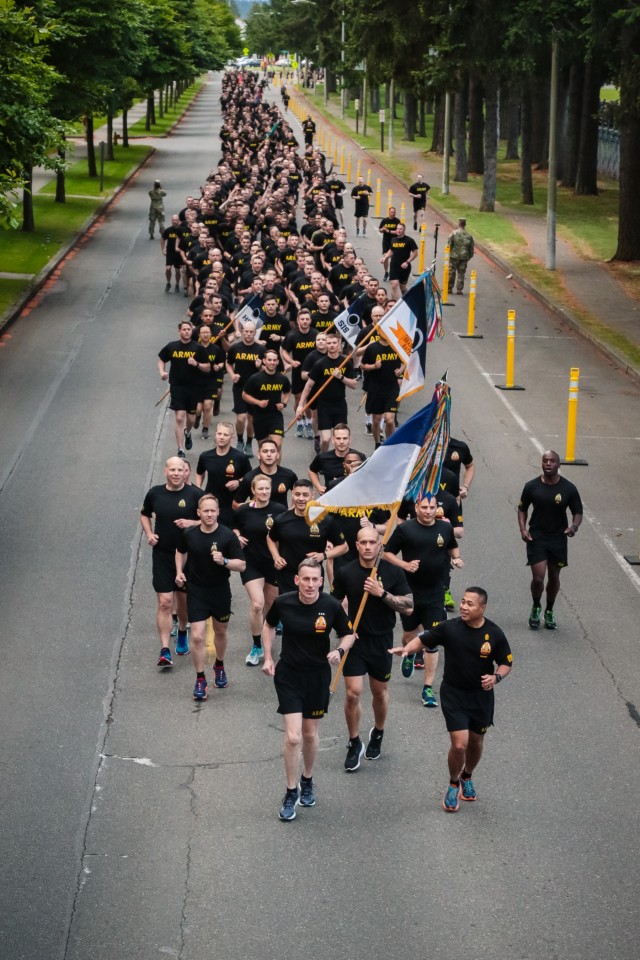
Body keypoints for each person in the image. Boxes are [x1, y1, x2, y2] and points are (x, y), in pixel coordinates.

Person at [389, 587, 512, 812]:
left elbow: (506, 662)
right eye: (463, 602)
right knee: (459, 743)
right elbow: (424, 640)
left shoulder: (494, 633)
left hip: (481, 697)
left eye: (470, 604)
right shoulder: (449, 628)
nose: (463, 607)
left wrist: (496, 677)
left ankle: (467, 776)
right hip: (453, 694)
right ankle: (454, 783)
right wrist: (406, 650)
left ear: (482, 608)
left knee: (476, 742)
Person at [262, 559, 355, 821]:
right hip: (289, 675)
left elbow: (349, 634)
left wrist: (339, 650)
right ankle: (291, 791)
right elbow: (269, 625)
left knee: (310, 735)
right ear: (297, 580)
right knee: (293, 737)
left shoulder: (331, 605)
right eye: (306, 579)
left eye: (315, 579)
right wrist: (268, 657)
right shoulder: (284, 603)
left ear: (321, 581)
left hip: (317, 677)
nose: (311, 584)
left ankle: (308, 779)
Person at [332, 527, 413, 770]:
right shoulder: (345, 572)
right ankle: (354, 741)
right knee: (353, 693)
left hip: (381, 641)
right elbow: (334, 604)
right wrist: (345, 629)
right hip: (356, 642)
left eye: (372, 542)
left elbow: (408, 607)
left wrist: (382, 593)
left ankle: (378, 731)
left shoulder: (391, 571)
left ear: (379, 545)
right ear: (356, 545)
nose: (368, 546)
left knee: (379, 692)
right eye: (363, 542)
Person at [384, 495, 463, 707]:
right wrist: (404, 565)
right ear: (416, 508)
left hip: (436, 593)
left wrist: (456, 557)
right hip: (410, 593)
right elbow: (387, 553)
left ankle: (428, 688)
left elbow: (452, 546)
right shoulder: (405, 529)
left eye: (432, 507)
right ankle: (409, 652)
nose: (428, 511)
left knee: (432, 639)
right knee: (409, 634)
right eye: (424, 507)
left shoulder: (445, 528)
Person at [175, 494, 246, 700]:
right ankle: (199, 678)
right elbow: (180, 552)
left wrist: (224, 560)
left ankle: (219, 665)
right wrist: (179, 572)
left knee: (220, 632)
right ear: (198, 513)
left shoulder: (227, 536)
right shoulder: (189, 534)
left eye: (212, 510)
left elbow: (241, 565)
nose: (209, 514)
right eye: (205, 511)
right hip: (196, 590)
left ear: (218, 512)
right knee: (197, 635)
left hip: (220, 590)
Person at [140, 457, 202, 667]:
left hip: (188, 555)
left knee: (183, 602)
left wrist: (192, 522)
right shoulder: (155, 493)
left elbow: (211, 519)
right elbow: (144, 514)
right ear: (165, 471)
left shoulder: (195, 495)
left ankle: (183, 631)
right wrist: (149, 533)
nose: (176, 473)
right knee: (165, 602)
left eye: (179, 470)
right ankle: (165, 650)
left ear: (185, 472)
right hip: (163, 554)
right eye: (172, 469)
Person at [517, 450, 583, 630]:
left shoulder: (568, 488)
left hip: (558, 539)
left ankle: (550, 610)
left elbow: (578, 511)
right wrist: (523, 529)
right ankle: (536, 606)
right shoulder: (531, 486)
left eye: (552, 461)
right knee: (538, 578)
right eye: (545, 461)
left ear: (559, 464)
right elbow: (522, 508)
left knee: (554, 576)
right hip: (537, 537)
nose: (548, 464)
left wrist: (574, 527)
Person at [233, 475, 286, 665]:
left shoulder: (279, 510)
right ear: (253, 491)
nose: (264, 492)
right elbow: (234, 527)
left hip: (272, 563)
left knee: (270, 606)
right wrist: (237, 535)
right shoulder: (243, 510)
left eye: (267, 489)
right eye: (260, 489)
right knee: (257, 604)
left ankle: (267, 641)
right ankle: (257, 646)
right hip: (251, 562)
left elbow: (286, 533)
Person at [267, 479, 348, 594]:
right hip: (287, 576)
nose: (301, 498)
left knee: (311, 610)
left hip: (313, 578)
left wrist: (323, 555)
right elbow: (270, 538)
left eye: (305, 495)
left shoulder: (325, 519)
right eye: (297, 494)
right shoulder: (281, 519)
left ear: (312, 496)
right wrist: (276, 557)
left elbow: (344, 547)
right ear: (292, 494)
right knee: (289, 610)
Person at [158, 320, 211, 458]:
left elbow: (207, 367)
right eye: (184, 329)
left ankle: (188, 433)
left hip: (194, 388)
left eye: (189, 329)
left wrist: (197, 363)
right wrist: (162, 372)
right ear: (179, 331)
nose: (187, 332)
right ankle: (180, 449)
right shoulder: (172, 346)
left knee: (191, 419)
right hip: (177, 387)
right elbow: (161, 359)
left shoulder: (198, 348)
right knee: (180, 418)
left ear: (192, 331)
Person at [296, 331, 356, 452]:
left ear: (339, 345)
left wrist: (341, 377)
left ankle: (341, 462)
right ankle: (324, 460)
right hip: (324, 405)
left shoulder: (346, 362)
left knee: (341, 440)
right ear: (326, 345)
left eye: (334, 343)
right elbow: (308, 386)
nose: (332, 345)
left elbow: (354, 384)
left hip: (340, 404)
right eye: (329, 343)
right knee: (326, 439)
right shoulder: (319, 364)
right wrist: (300, 405)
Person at [195, 421, 251, 527]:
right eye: (219, 434)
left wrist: (238, 482)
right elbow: (199, 472)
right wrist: (198, 489)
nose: (221, 437)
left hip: (231, 505)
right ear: (215, 434)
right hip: (211, 504)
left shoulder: (240, 457)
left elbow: (250, 476)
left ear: (232, 437)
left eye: (225, 435)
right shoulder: (206, 456)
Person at [225, 321, 265, 456]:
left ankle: (249, 443)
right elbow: (229, 363)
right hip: (240, 387)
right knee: (241, 417)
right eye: (246, 331)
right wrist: (232, 375)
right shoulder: (235, 348)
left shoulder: (261, 350)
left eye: (251, 332)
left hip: (256, 389)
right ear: (242, 332)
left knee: (251, 419)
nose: (248, 334)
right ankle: (240, 440)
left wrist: (260, 366)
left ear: (255, 333)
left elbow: (269, 369)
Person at [242, 347, 291, 451]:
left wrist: (284, 403)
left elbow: (287, 392)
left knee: (277, 445)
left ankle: (276, 468)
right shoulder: (255, 378)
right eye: (269, 360)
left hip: (275, 416)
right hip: (260, 417)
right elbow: (244, 395)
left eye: (274, 360)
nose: (272, 363)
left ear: (278, 362)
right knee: (263, 449)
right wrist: (258, 402)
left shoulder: (282, 378)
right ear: (264, 361)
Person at [233, 438, 298, 509]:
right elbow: (235, 504)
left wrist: (291, 512)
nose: (269, 454)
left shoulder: (289, 475)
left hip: (281, 519)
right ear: (259, 455)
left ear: (278, 455)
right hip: (258, 519)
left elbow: (300, 494)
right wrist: (250, 511)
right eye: (265, 451)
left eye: (272, 451)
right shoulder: (249, 477)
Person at [381, 222, 418, 298]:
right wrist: (385, 258)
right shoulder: (393, 239)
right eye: (397, 228)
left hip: (404, 266)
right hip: (394, 265)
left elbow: (415, 253)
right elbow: (391, 250)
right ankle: (394, 304)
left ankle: (407, 300)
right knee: (394, 285)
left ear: (404, 230)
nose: (398, 230)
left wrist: (407, 262)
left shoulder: (409, 240)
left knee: (403, 288)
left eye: (401, 229)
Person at [447, 218, 474, 295]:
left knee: (451, 272)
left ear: (459, 224)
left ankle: (449, 288)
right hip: (464, 257)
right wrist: (468, 257)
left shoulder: (454, 234)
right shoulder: (469, 236)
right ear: (465, 225)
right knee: (461, 273)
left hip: (454, 256)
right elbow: (471, 249)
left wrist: (450, 253)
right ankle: (459, 289)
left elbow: (449, 245)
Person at [161, 214, 183, 292]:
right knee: (168, 268)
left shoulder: (181, 230)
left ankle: (177, 284)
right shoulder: (168, 230)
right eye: (173, 220)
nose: (174, 222)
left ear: (179, 221)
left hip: (178, 253)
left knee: (177, 270)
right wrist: (163, 249)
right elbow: (163, 239)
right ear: (171, 221)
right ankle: (168, 283)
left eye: (176, 220)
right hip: (170, 252)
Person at [378, 207, 401, 281]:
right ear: (389, 212)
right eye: (391, 212)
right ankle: (386, 272)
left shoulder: (397, 221)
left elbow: (398, 232)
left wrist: (388, 231)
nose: (393, 213)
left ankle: (392, 272)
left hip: (394, 241)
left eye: (394, 212)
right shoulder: (385, 220)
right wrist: (383, 229)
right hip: (386, 241)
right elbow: (380, 229)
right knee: (385, 257)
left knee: (393, 258)